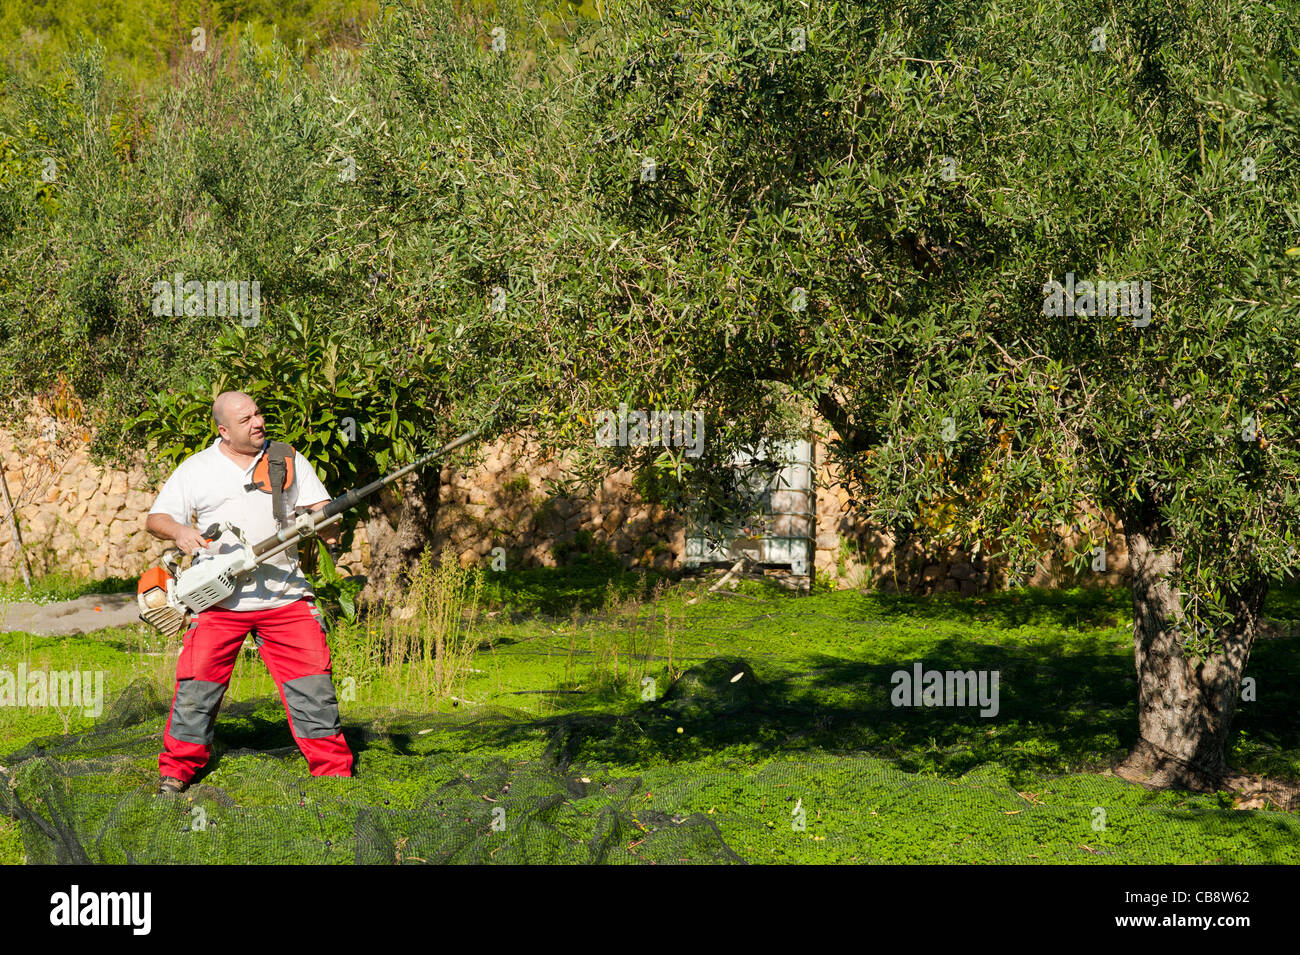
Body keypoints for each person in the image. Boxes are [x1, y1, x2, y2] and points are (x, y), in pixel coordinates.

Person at [145, 390, 354, 793]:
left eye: (258, 413)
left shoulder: (286, 459)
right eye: (246, 419)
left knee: (314, 688)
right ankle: (177, 772)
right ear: (223, 430)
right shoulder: (197, 469)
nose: (258, 422)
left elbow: (322, 511)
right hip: (218, 600)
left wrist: (326, 524)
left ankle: (334, 778)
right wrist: (182, 532)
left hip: (286, 595)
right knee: (197, 687)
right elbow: (157, 518)